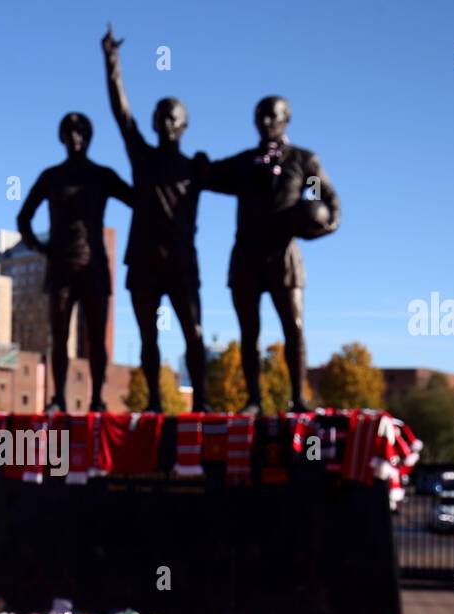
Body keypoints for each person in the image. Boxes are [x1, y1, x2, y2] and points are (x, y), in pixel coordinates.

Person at [203, 96, 340, 413]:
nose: (265, 123)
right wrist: (196, 164)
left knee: (293, 328)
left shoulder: (304, 162)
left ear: (286, 120)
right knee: (248, 332)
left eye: (272, 117)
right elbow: (209, 175)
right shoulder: (245, 164)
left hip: (284, 257)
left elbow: (325, 202)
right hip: (247, 256)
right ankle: (254, 399)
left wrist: (315, 224)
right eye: (260, 117)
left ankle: (298, 398)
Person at [101, 24, 209, 412]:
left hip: (181, 262)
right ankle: (155, 403)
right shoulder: (142, 158)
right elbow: (120, 112)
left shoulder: (196, 168)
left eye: (172, 117)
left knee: (194, 334)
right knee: (148, 337)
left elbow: (240, 179)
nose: (165, 122)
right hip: (144, 261)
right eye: (160, 116)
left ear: (183, 125)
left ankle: (203, 402)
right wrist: (112, 61)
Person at [17, 112, 132, 412]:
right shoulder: (52, 177)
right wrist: (40, 248)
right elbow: (24, 217)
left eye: (80, 132)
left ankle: (96, 399)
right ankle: (60, 399)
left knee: (96, 337)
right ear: (62, 138)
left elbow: (139, 201)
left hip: (94, 267)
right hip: (61, 268)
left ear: (89, 137)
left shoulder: (102, 175)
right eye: (69, 132)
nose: (75, 138)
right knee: (60, 336)